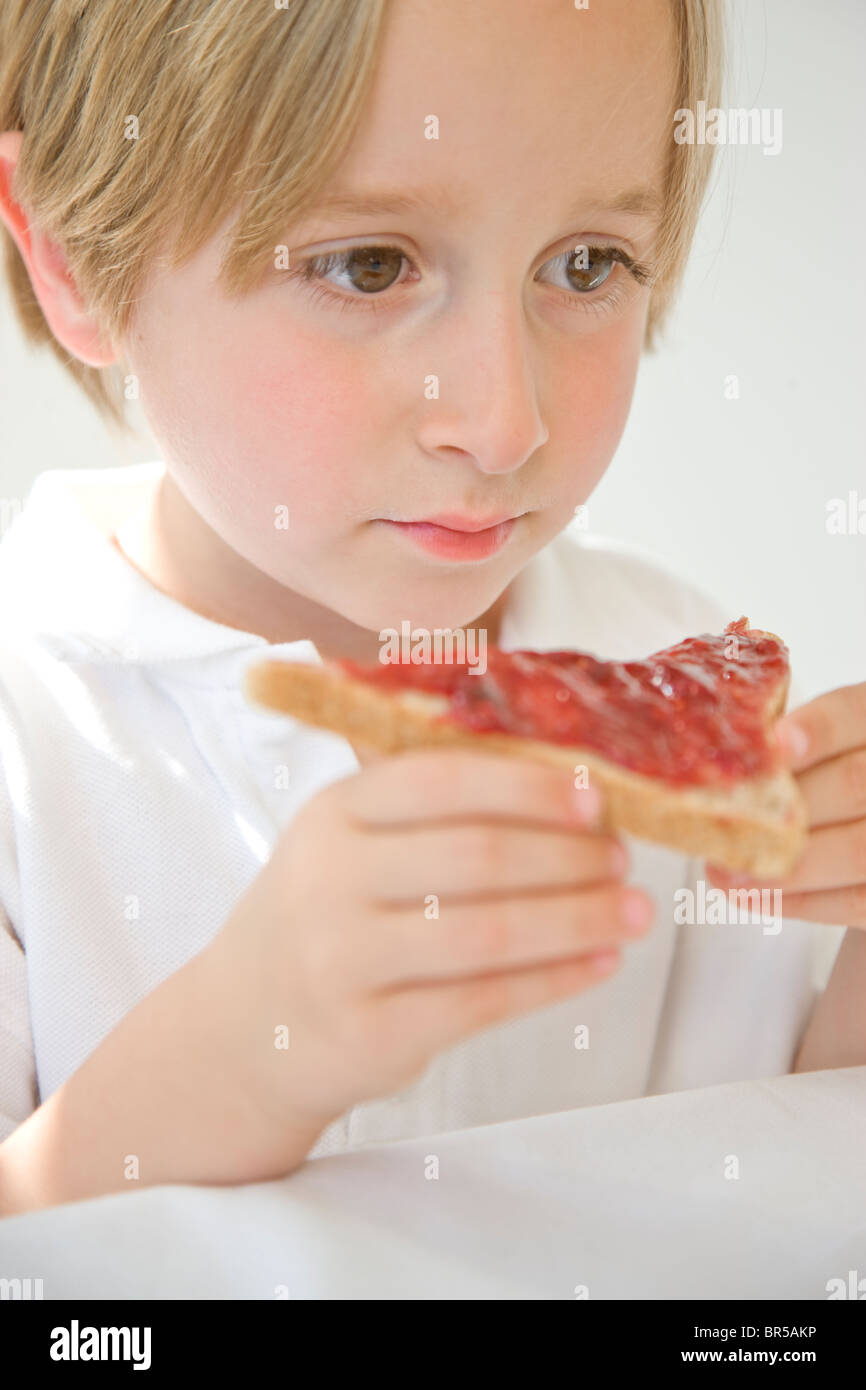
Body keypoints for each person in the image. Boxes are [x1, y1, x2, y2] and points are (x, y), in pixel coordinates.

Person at [0, 0, 861, 1221]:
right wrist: (243, 1049)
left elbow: (767, 1216)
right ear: (74, 258)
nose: (504, 422)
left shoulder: (674, 681)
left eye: (584, 265)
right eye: (368, 264)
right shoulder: (28, 735)